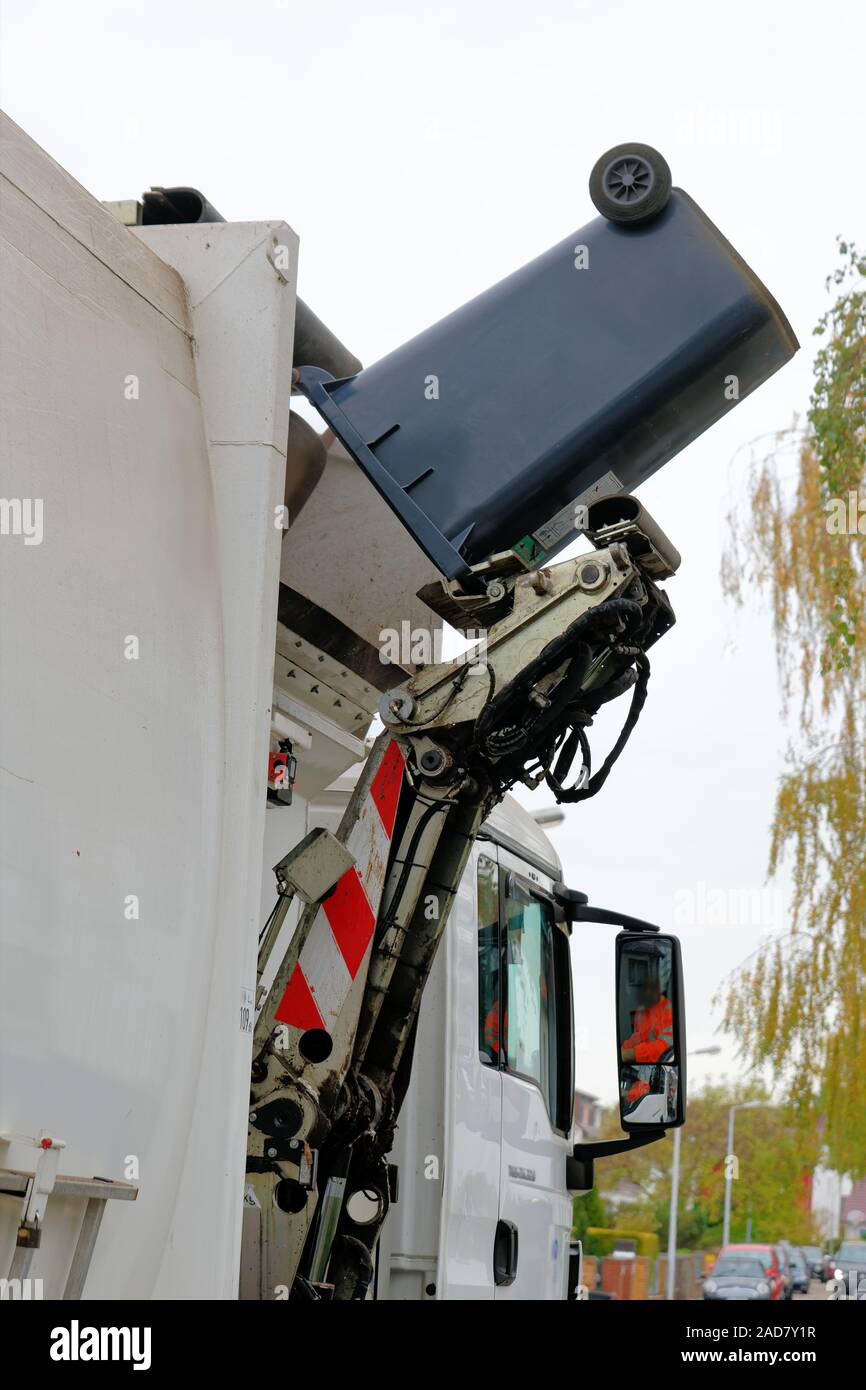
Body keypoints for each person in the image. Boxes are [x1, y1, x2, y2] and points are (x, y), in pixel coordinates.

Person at [621, 955, 673, 1104]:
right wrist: (621, 1052)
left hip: (657, 1071)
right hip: (644, 1071)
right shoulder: (640, 1012)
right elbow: (636, 1038)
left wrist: (632, 1054)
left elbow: (665, 1047)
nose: (647, 992)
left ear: (659, 989)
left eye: (651, 988)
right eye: (644, 989)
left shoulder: (668, 1010)